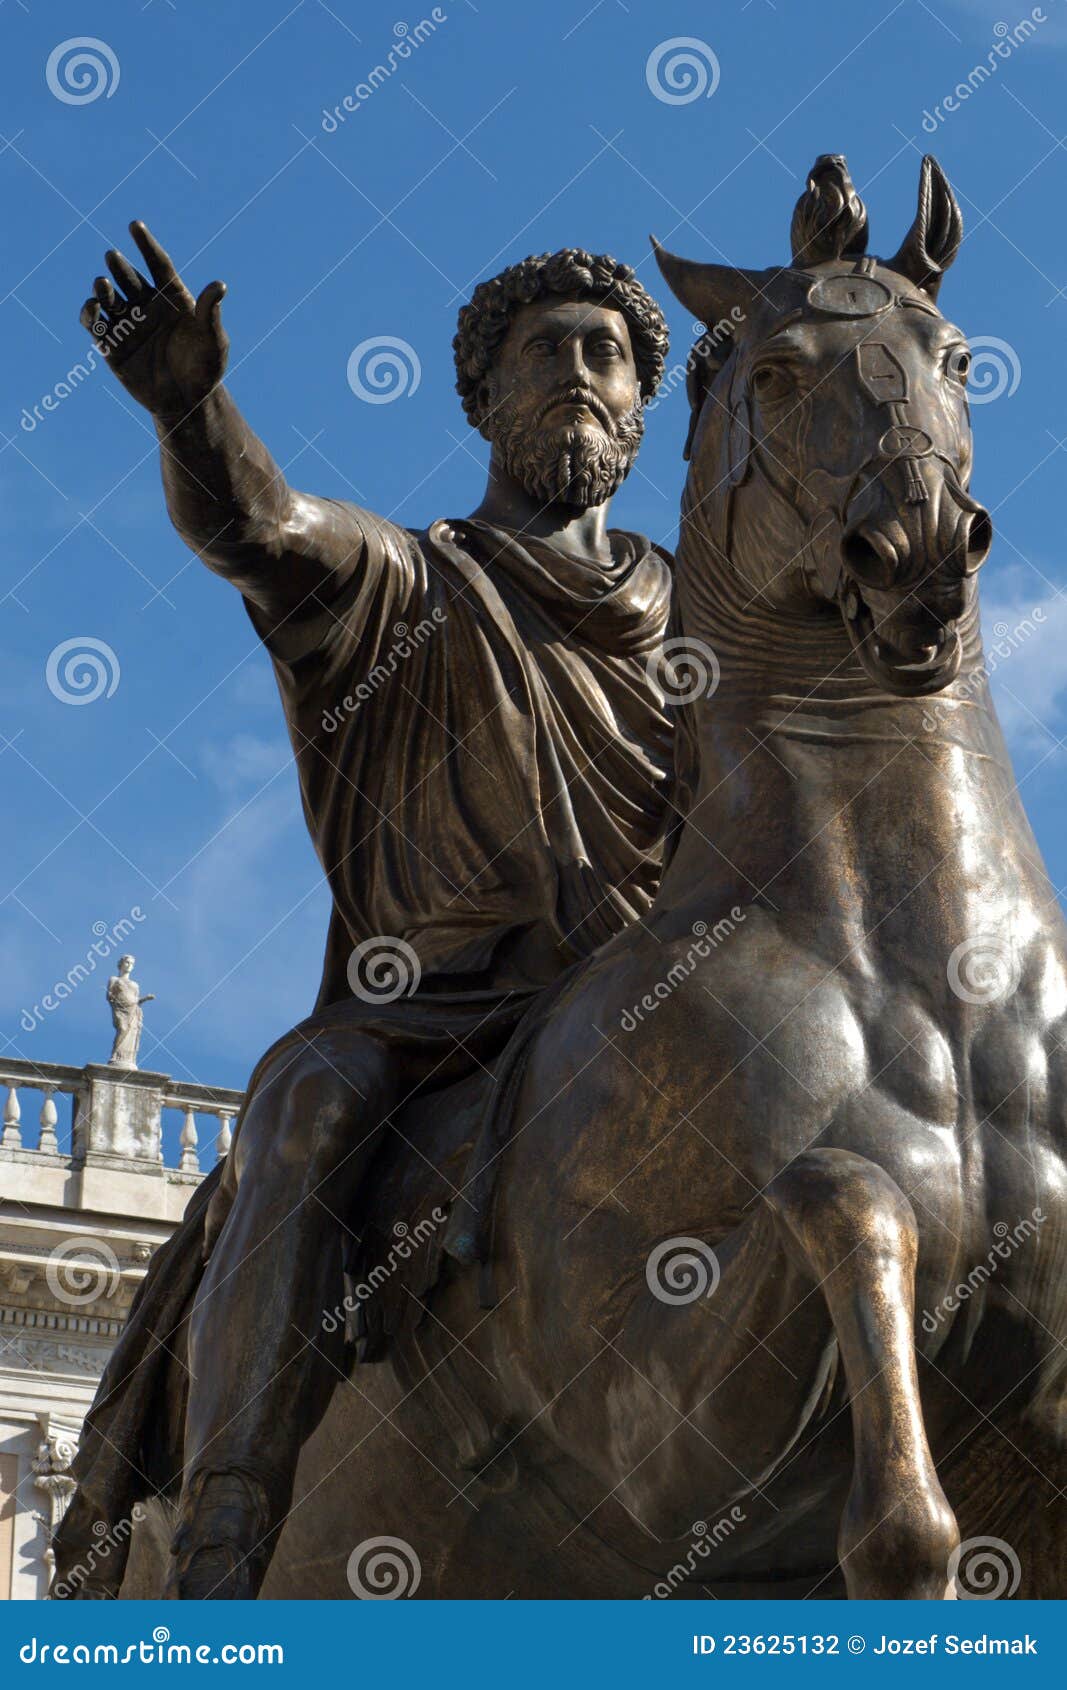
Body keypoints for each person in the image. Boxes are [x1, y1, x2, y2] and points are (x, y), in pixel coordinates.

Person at [63, 225, 674, 1597]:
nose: (582, 373)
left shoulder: (705, 624)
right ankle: (225, 1529)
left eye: (611, 354)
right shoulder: (407, 581)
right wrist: (189, 406)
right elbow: (260, 532)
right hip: (434, 1022)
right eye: (549, 350)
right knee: (300, 1104)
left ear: (644, 406)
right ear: (484, 397)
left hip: (654, 1010)